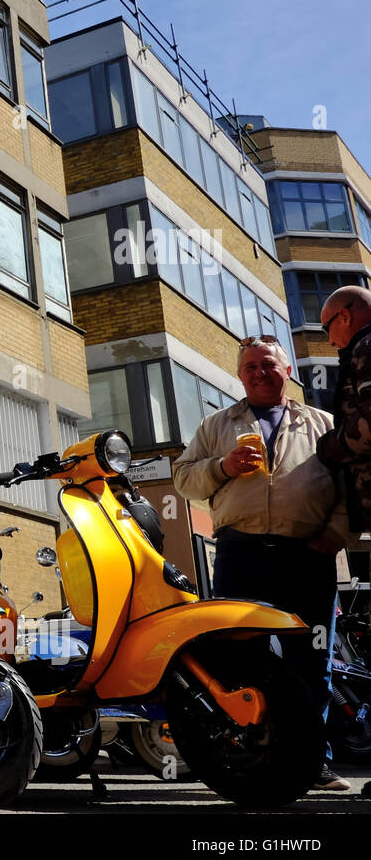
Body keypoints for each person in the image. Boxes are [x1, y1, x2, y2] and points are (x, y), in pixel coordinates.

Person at [171, 335, 349, 791]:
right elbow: (184, 480)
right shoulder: (217, 425)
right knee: (240, 659)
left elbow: (352, 487)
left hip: (307, 556)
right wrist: (223, 467)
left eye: (267, 364)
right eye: (249, 366)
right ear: (240, 375)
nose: (258, 373)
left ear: (286, 371)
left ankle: (315, 762)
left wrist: (333, 536)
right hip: (240, 555)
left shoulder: (325, 424)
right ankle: (253, 756)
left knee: (312, 660)